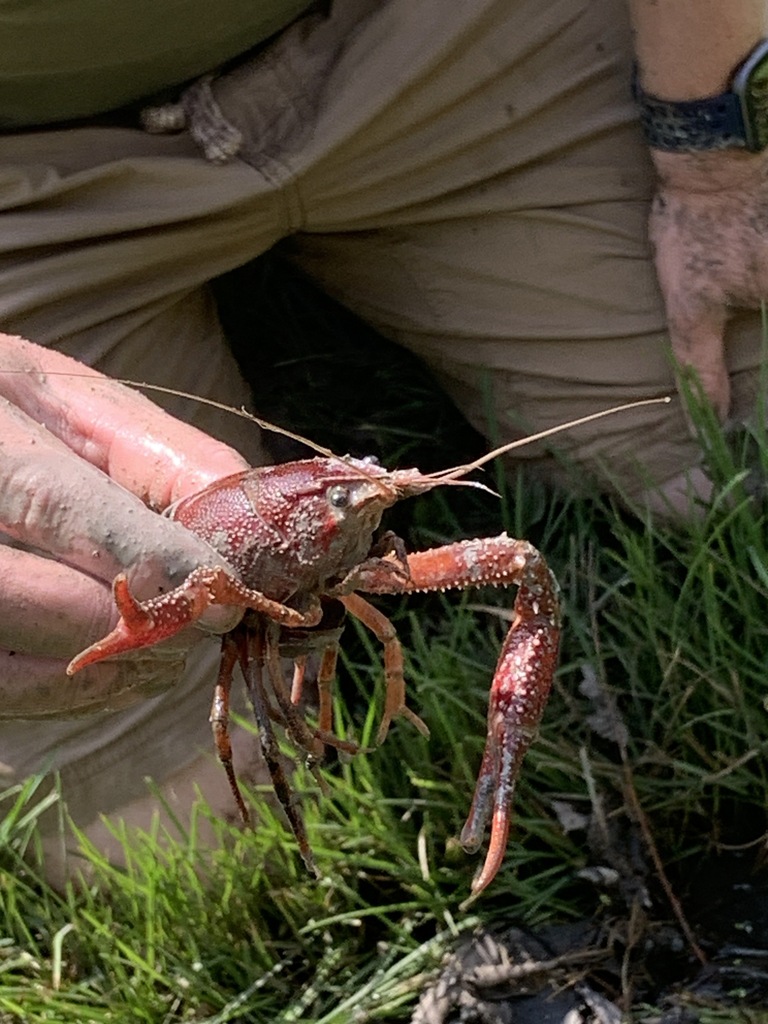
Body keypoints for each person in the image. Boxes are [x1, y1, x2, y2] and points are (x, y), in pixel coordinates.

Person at [1, 0, 766, 884]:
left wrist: (713, 151)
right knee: (175, 850)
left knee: (722, 475)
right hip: (24, 155)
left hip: (419, 38)